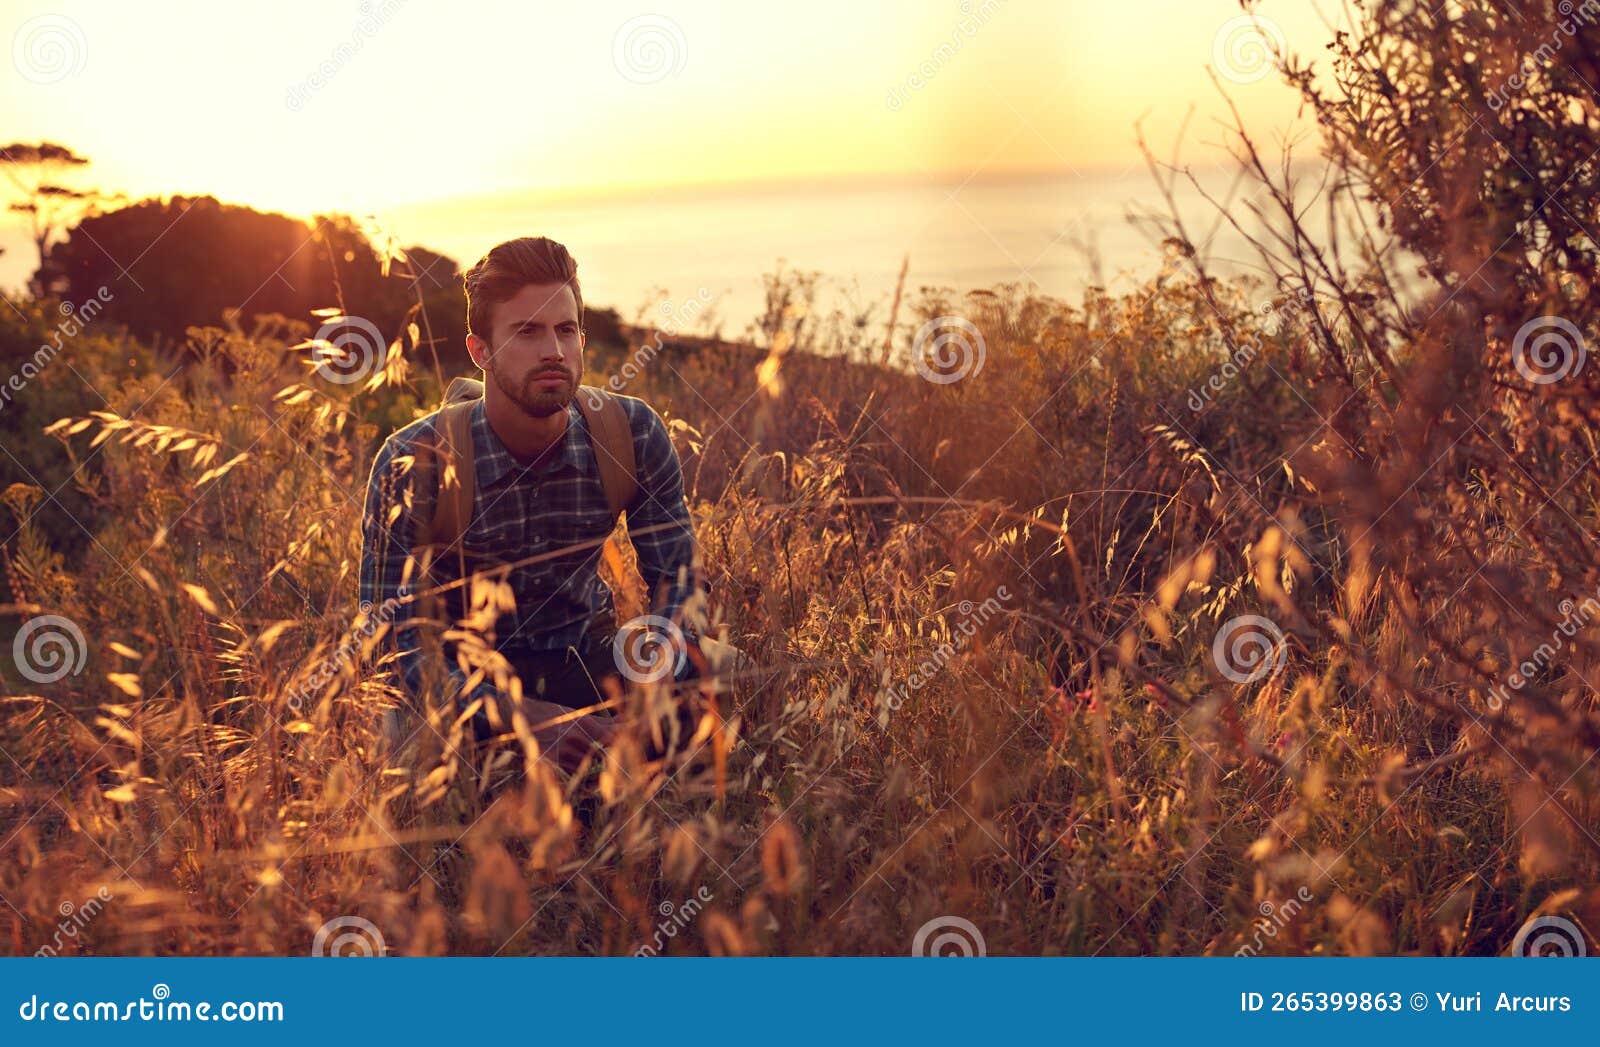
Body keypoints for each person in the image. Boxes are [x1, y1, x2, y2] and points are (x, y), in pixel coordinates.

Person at [358, 236, 702, 772]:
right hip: (465, 676)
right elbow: (388, 638)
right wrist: (523, 720)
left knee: (722, 681)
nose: (554, 352)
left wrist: (650, 690)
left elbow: (676, 582)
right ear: (481, 351)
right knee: (412, 741)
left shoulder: (631, 432)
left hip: (581, 653)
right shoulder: (414, 459)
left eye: (566, 330)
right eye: (527, 331)